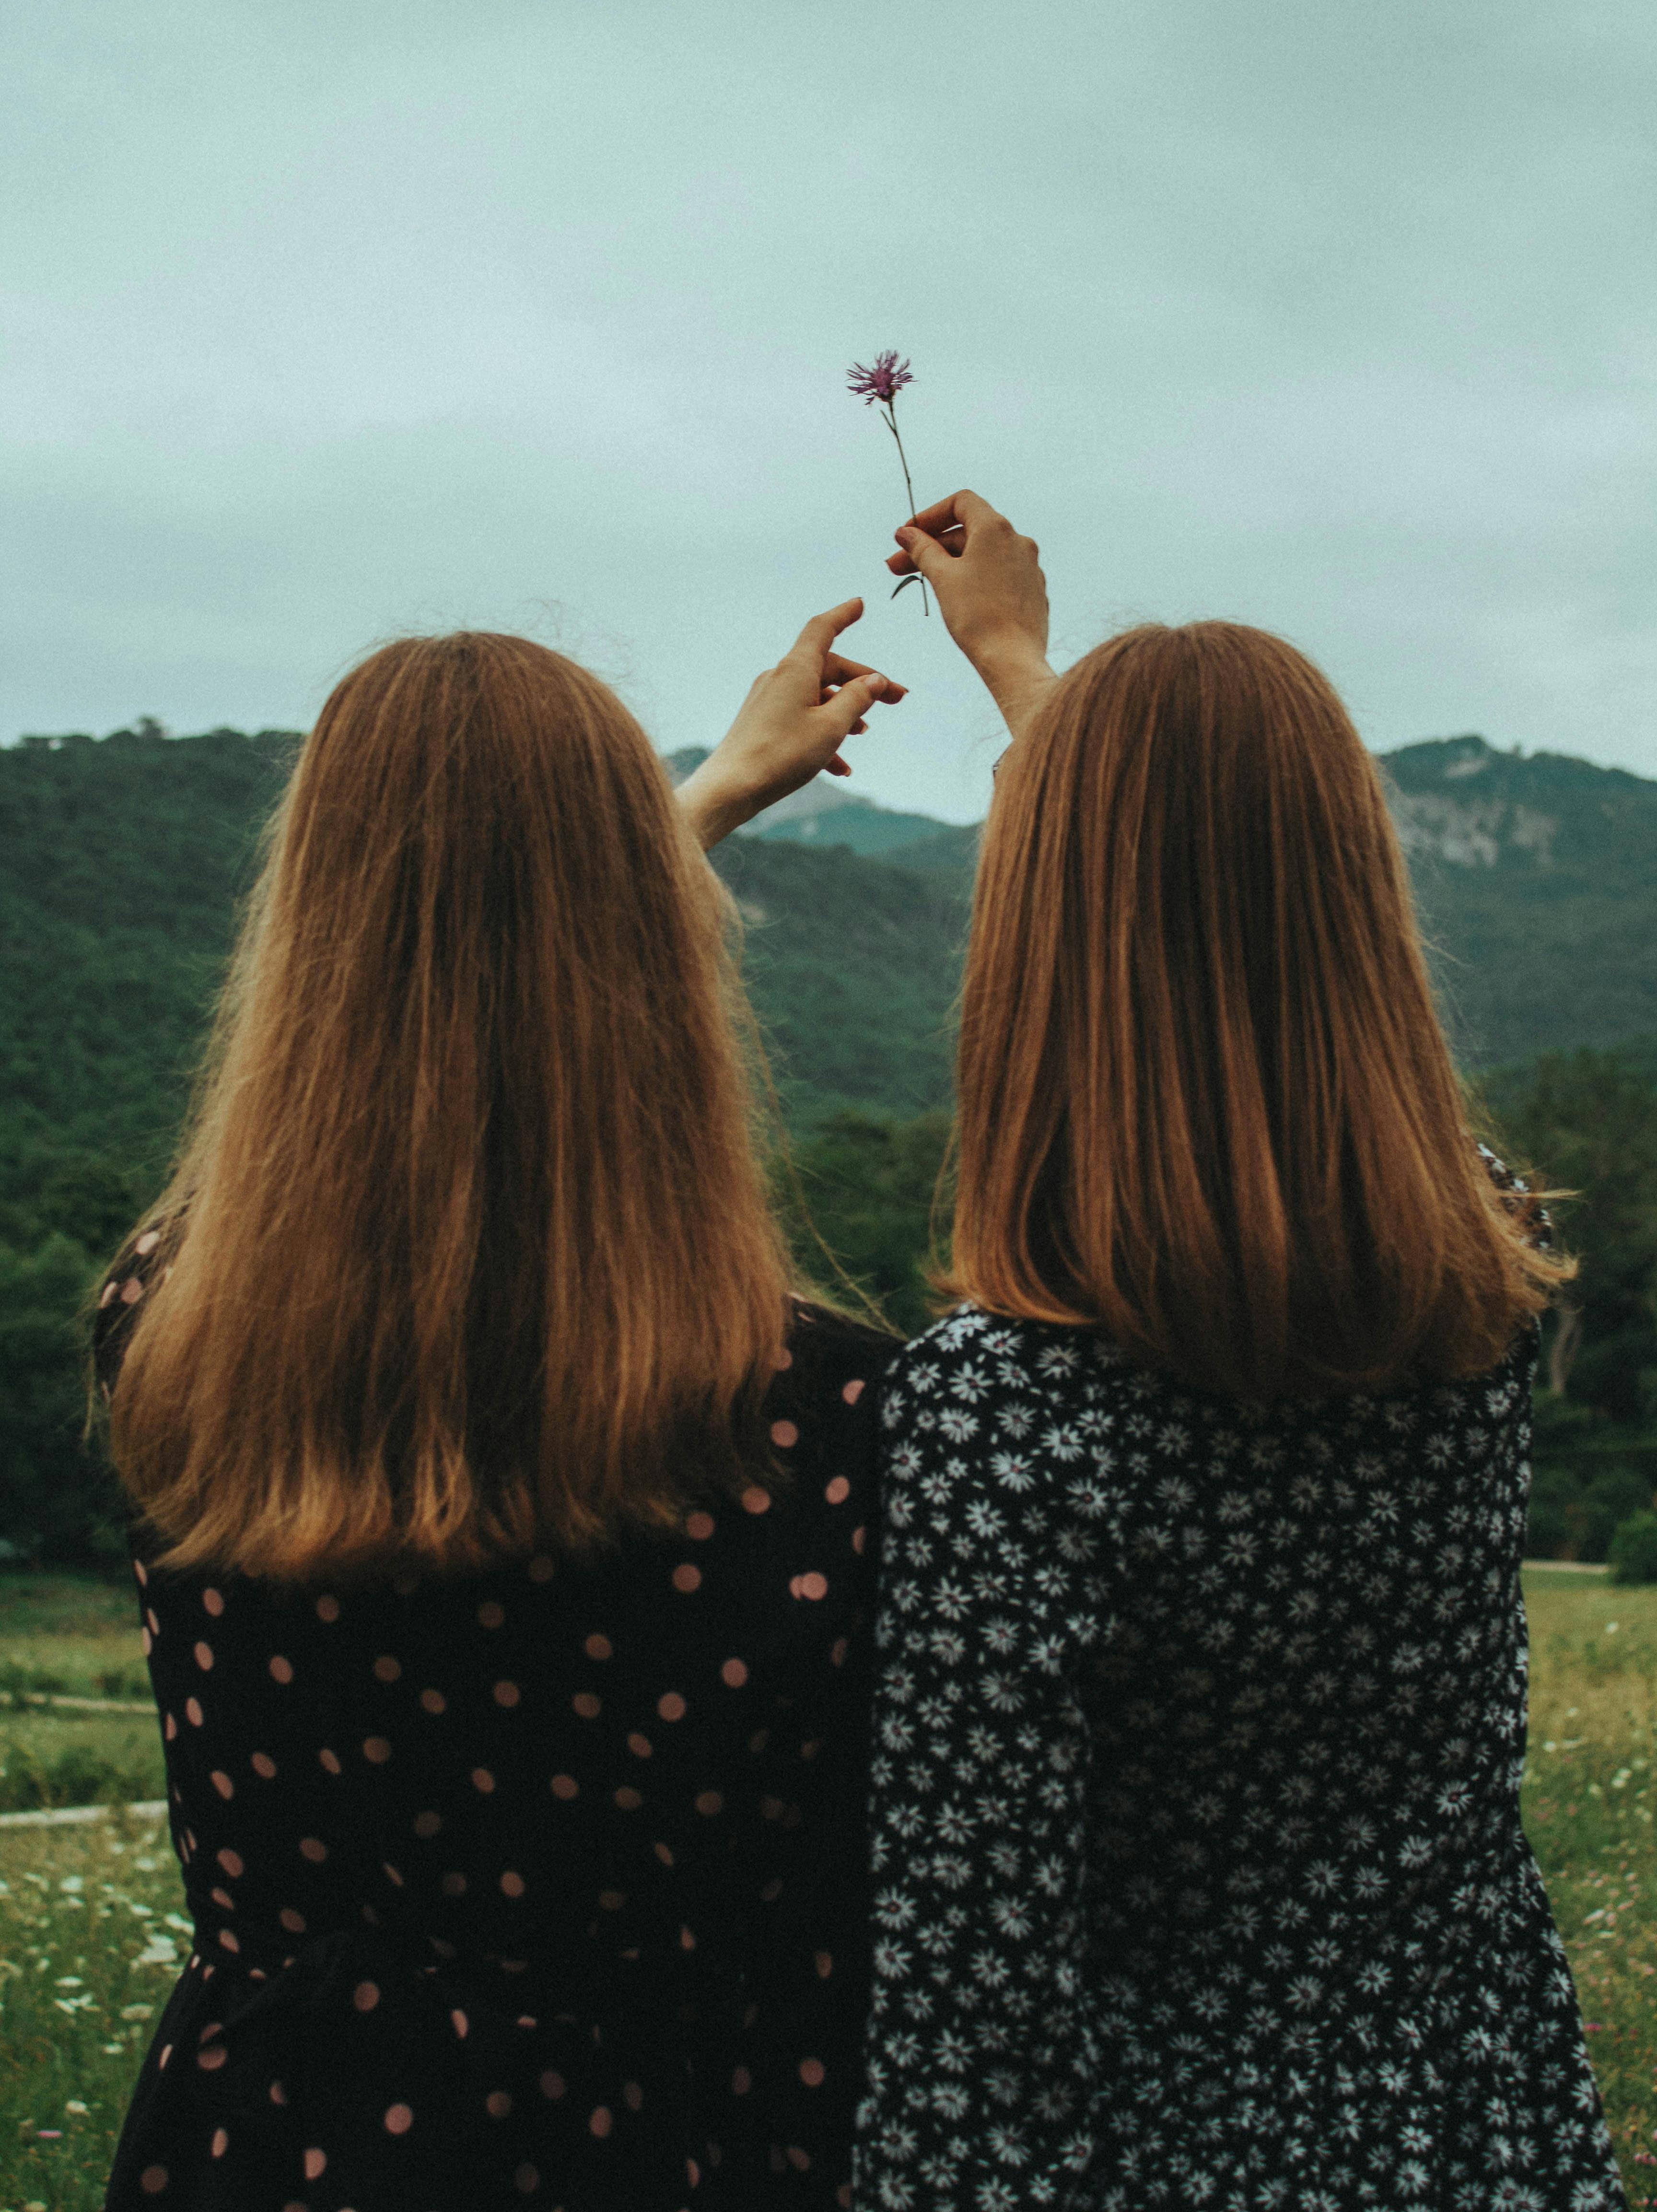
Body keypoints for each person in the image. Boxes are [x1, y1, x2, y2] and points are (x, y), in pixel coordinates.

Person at [855, 497, 1628, 2211]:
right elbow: (1242, 970)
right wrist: (1026, 674)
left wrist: (1039, 709)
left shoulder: (1000, 1418)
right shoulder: (1477, 1272)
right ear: (1357, 901)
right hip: (1473, 2122)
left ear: (1036, 926)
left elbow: (967, 2023)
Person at [94, 599, 905, 2212]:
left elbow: (414, 1036)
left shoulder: (170, 1320)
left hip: (276, 2138)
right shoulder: (812, 1405)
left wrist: (703, 801)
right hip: (675, 2141)